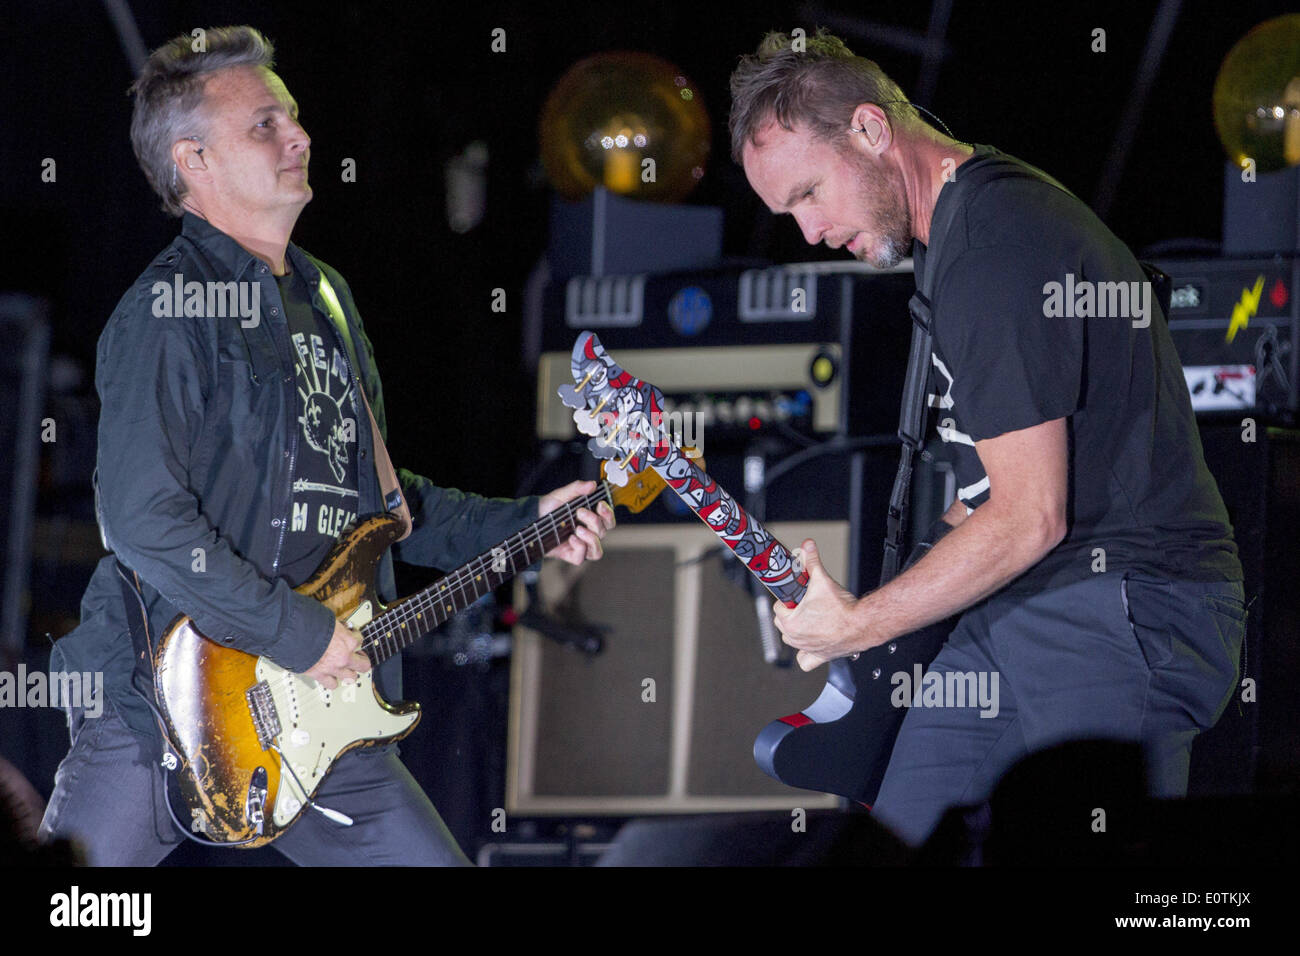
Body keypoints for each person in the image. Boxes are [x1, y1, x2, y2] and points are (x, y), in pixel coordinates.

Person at [38, 25, 614, 866]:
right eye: (264, 125)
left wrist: (529, 520)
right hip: (164, 705)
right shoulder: (166, 311)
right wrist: (295, 633)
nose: (299, 136)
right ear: (194, 162)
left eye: (294, 117)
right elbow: (141, 518)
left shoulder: (328, 300)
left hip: (328, 719)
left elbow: (385, 506)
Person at [730, 29, 1247, 847]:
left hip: (1116, 604)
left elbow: (1031, 516)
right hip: (1016, 613)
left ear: (869, 130)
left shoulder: (997, 244)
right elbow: (988, 502)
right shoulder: (956, 244)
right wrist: (862, 608)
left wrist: (862, 623)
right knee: (896, 842)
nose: (810, 231)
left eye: (808, 194)